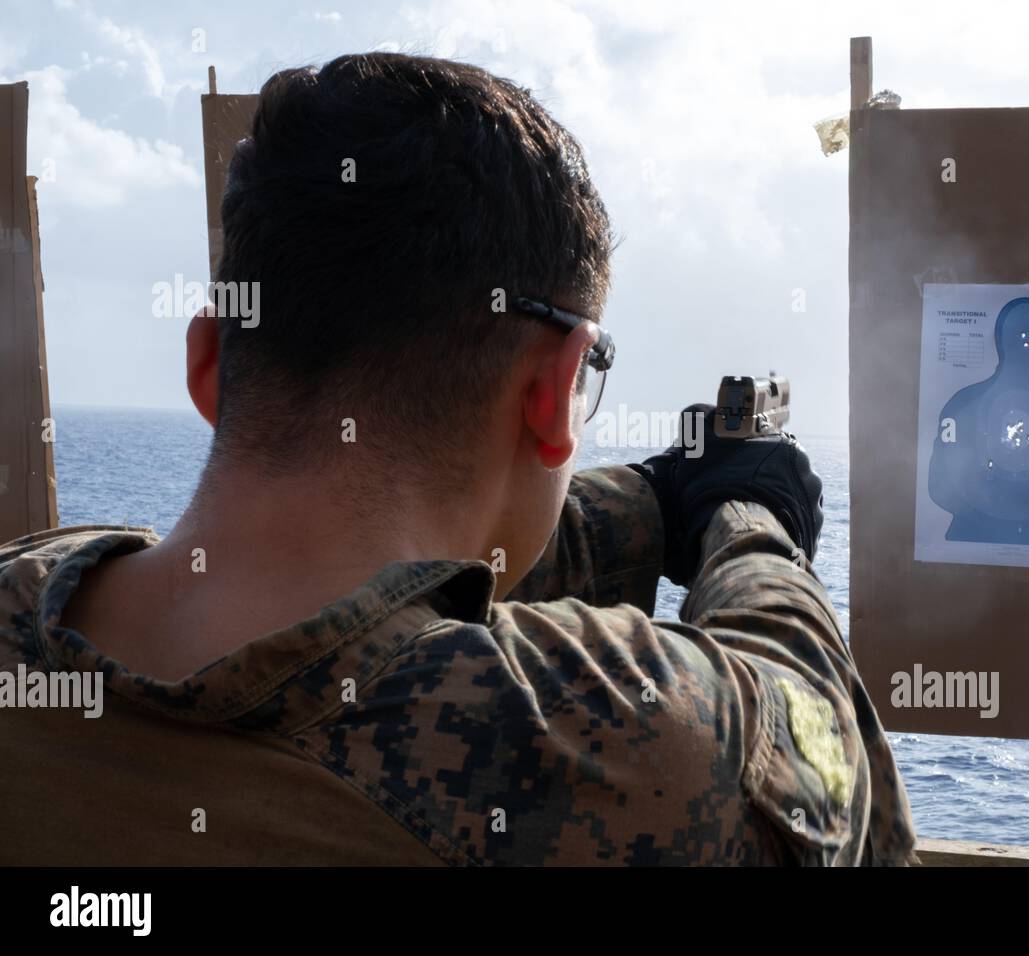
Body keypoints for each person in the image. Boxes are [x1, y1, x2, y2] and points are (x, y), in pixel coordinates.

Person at [0, 52, 914, 866]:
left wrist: (650, 504)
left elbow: (367, 563)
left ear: (207, 365)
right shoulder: (601, 744)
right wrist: (752, 529)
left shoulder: (24, 605)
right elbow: (813, 739)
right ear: (554, 396)